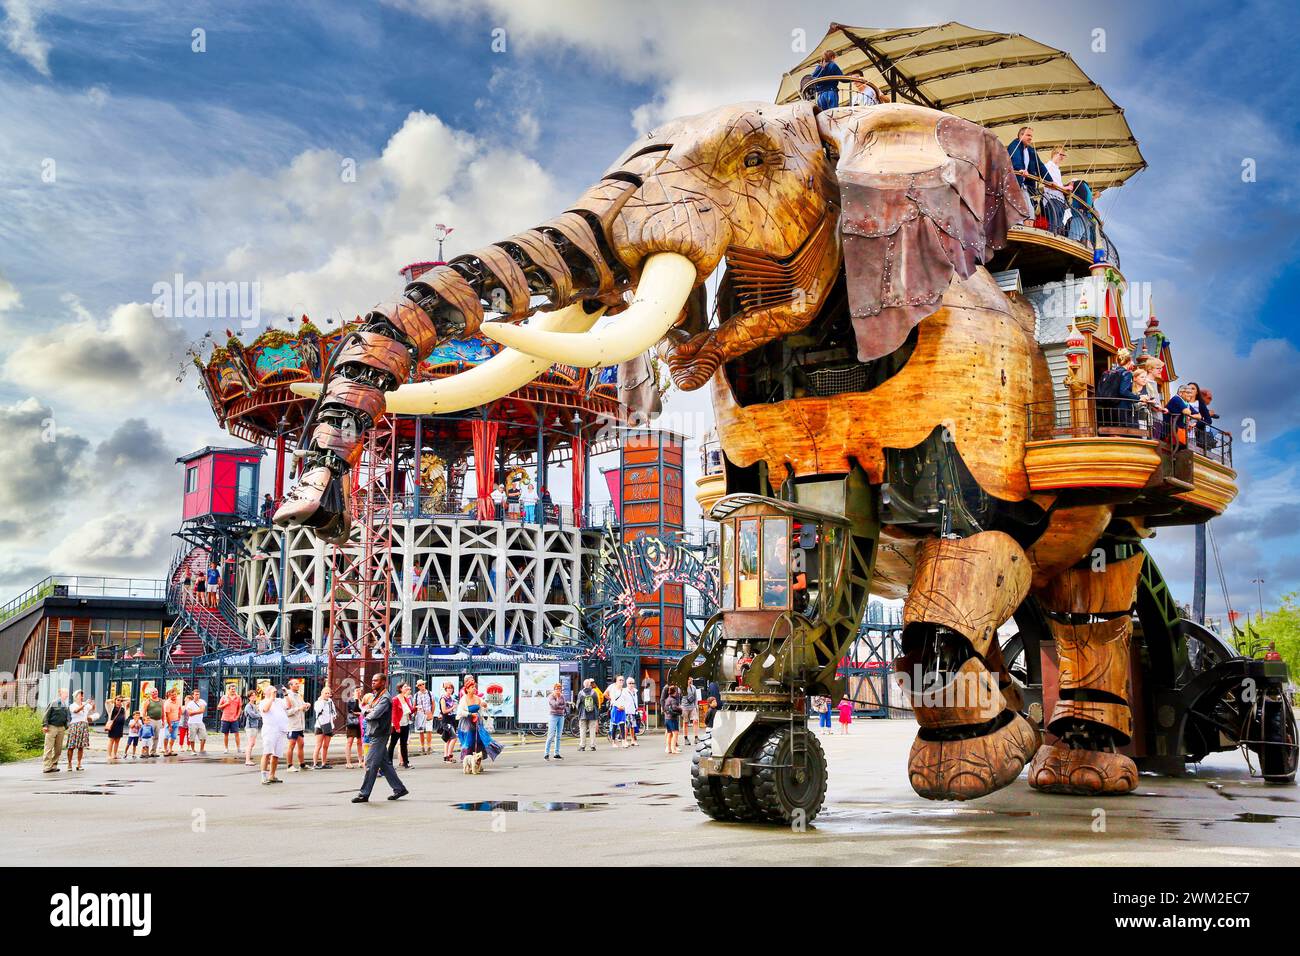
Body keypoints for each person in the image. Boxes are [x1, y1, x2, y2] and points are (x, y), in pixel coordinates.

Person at [354, 673, 409, 802]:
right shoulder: (375, 696)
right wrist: (367, 711)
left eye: (376, 681)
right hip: (374, 732)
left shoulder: (385, 697)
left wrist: (366, 712)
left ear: (383, 682)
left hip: (379, 733)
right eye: (372, 680)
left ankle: (364, 793)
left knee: (371, 763)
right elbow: (367, 709)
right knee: (385, 764)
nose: (373, 682)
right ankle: (399, 789)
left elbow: (374, 714)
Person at [455, 677, 503, 773]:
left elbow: (483, 707)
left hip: (477, 722)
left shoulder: (478, 698)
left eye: (474, 687)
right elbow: (460, 711)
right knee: (469, 742)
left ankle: (478, 764)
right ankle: (467, 764)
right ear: (467, 689)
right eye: (472, 687)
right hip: (467, 723)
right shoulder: (464, 699)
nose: (474, 688)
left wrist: (485, 705)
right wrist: (469, 714)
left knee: (480, 741)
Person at [1006, 126, 1047, 224]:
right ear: (1020, 135)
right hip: (1013, 184)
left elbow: (1040, 166)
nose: (1030, 138)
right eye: (1028, 135)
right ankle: (1018, 229)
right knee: (1018, 213)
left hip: (1023, 186)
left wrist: (1049, 180)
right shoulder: (1015, 145)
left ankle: (1027, 233)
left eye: (1031, 136)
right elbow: (1015, 158)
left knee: (1030, 214)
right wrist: (1020, 169)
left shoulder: (1030, 150)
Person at [258, 684, 288, 784]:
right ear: (267, 693)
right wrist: (271, 698)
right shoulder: (263, 702)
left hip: (281, 730)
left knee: (276, 754)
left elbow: (289, 705)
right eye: (273, 692)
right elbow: (265, 710)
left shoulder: (279, 701)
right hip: (270, 730)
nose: (275, 693)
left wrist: (286, 694)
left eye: (275, 692)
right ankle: (263, 776)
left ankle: (272, 775)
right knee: (267, 752)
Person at [1040, 146, 1073, 233]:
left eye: (1064, 155)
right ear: (1054, 154)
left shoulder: (1057, 169)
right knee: (1053, 226)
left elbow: (1056, 185)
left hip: (1059, 201)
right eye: (1061, 154)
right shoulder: (1048, 166)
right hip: (1052, 200)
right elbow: (1050, 183)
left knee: (1057, 226)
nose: (1062, 157)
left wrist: (1065, 189)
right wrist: (1065, 188)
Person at [42, 687, 71, 773]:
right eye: (65, 693)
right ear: (60, 694)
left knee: (58, 749)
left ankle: (54, 765)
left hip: (61, 728)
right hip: (52, 727)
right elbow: (47, 714)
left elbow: (67, 716)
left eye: (67, 693)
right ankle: (47, 766)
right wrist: (45, 725)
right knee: (49, 747)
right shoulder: (54, 702)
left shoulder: (65, 704)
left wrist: (66, 725)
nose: (67, 695)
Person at [386, 682, 414, 769]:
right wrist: (397, 726)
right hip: (397, 725)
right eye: (405, 686)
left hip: (405, 723)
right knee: (392, 744)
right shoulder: (395, 699)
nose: (407, 688)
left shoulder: (406, 699)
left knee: (404, 744)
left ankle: (406, 763)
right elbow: (393, 714)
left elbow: (410, 710)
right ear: (400, 689)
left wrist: (416, 708)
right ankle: (389, 763)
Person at [284, 678, 309, 771]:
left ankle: (302, 764)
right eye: (296, 684)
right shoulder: (288, 697)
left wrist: (306, 706)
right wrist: (299, 708)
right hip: (292, 725)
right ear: (290, 686)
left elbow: (302, 707)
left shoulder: (298, 695)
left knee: (301, 744)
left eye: (298, 684)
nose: (298, 685)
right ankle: (289, 765)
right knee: (291, 745)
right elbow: (287, 712)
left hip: (300, 725)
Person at [66, 690, 93, 770]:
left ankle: (79, 764)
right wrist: (85, 704)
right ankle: (69, 763)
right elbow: (76, 711)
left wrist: (92, 703)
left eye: (82, 695)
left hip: (84, 725)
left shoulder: (86, 705)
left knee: (81, 746)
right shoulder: (72, 705)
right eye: (80, 695)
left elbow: (93, 709)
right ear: (75, 697)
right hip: (75, 725)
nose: (81, 696)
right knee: (71, 746)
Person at [312, 685, 337, 769]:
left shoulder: (330, 702)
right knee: (318, 745)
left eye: (328, 693)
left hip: (328, 725)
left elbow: (333, 711)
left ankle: (323, 763)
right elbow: (318, 710)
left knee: (326, 746)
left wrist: (334, 716)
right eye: (325, 693)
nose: (327, 694)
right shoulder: (318, 702)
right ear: (322, 693)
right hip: (320, 725)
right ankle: (315, 764)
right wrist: (322, 701)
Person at [574, 678, 602, 751]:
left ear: (583, 685)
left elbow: (578, 704)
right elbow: (597, 702)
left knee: (583, 730)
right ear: (590, 685)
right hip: (592, 714)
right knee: (592, 730)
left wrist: (578, 710)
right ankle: (592, 746)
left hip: (583, 714)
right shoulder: (594, 692)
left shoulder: (581, 693)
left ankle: (582, 746)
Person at [544, 682, 567, 760]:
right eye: (557, 688)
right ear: (554, 689)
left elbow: (564, 706)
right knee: (550, 735)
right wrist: (557, 699)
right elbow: (554, 705)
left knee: (558, 736)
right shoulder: (551, 696)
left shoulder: (562, 696)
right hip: (553, 716)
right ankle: (546, 754)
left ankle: (556, 754)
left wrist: (559, 706)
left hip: (561, 716)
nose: (558, 690)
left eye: (560, 689)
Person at [218, 683, 243, 754]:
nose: (233, 690)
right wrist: (225, 704)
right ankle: (226, 748)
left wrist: (237, 716)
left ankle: (238, 748)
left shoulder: (238, 697)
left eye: (234, 689)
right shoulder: (224, 697)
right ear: (228, 690)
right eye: (232, 689)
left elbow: (240, 708)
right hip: (225, 718)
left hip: (234, 719)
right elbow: (218, 707)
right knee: (226, 734)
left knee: (237, 733)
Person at [344, 687, 365, 769]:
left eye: (360, 690)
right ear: (353, 692)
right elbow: (353, 710)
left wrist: (360, 712)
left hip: (361, 722)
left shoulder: (362, 700)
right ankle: (348, 762)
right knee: (350, 741)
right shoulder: (351, 700)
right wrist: (356, 699)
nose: (359, 692)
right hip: (352, 723)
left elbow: (363, 710)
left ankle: (360, 761)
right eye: (357, 691)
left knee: (360, 742)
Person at [413, 679, 434, 756]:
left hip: (428, 713)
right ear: (418, 687)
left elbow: (433, 703)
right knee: (421, 731)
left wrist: (431, 713)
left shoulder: (430, 693)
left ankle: (429, 746)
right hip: (420, 714)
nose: (422, 686)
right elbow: (414, 705)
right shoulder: (416, 695)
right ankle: (422, 746)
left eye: (422, 684)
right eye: (420, 685)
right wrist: (415, 714)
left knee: (429, 731)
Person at [242, 688, 262, 766]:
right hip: (250, 727)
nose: (254, 697)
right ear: (249, 697)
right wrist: (260, 715)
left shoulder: (254, 705)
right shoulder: (248, 706)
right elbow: (253, 715)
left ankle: (248, 758)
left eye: (255, 695)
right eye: (252, 696)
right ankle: (247, 760)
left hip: (254, 726)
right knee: (250, 743)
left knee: (252, 743)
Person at [184, 689, 207, 754]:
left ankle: (201, 749)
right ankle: (193, 750)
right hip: (192, 723)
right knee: (192, 737)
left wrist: (194, 711)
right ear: (193, 695)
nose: (197, 696)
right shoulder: (190, 703)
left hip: (200, 722)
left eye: (198, 694)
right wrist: (198, 711)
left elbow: (202, 710)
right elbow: (190, 713)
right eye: (196, 694)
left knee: (204, 736)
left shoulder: (202, 701)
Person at [661, 684, 682, 754]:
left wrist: (664, 710)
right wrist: (681, 708)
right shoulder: (673, 699)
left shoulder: (667, 699)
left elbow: (663, 701)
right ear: (675, 692)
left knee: (669, 733)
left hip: (667, 718)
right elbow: (674, 708)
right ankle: (673, 749)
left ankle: (669, 748)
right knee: (675, 733)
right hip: (672, 718)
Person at [143, 687, 164, 757]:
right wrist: (145, 721)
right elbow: (144, 712)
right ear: (150, 693)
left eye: (156, 691)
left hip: (159, 720)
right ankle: (146, 752)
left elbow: (163, 711)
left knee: (156, 737)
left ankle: (153, 752)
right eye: (153, 692)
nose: (155, 693)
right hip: (151, 720)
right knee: (149, 736)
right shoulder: (148, 701)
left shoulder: (161, 700)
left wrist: (163, 721)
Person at [105, 695, 127, 761]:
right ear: (115, 700)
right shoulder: (111, 707)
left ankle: (114, 754)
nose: (119, 701)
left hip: (120, 726)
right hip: (113, 725)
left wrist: (122, 699)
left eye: (121, 700)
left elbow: (129, 699)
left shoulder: (123, 707)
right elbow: (107, 701)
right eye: (118, 700)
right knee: (111, 740)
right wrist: (114, 699)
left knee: (117, 740)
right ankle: (109, 755)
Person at [680, 678, 701, 745]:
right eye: (689, 679)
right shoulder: (682, 687)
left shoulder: (693, 687)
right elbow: (679, 697)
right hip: (684, 707)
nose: (691, 680)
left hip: (692, 707)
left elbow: (695, 698)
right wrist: (680, 706)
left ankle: (696, 737)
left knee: (695, 721)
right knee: (685, 723)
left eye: (691, 679)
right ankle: (686, 738)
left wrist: (696, 706)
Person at [162, 687, 181, 756]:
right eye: (172, 695)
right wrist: (170, 726)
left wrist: (179, 716)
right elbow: (167, 716)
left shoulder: (178, 700)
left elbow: (179, 708)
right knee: (167, 735)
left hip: (176, 721)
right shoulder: (167, 703)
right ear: (169, 695)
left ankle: (170, 749)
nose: (174, 696)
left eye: (175, 694)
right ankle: (165, 750)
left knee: (174, 736)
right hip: (169, 722)